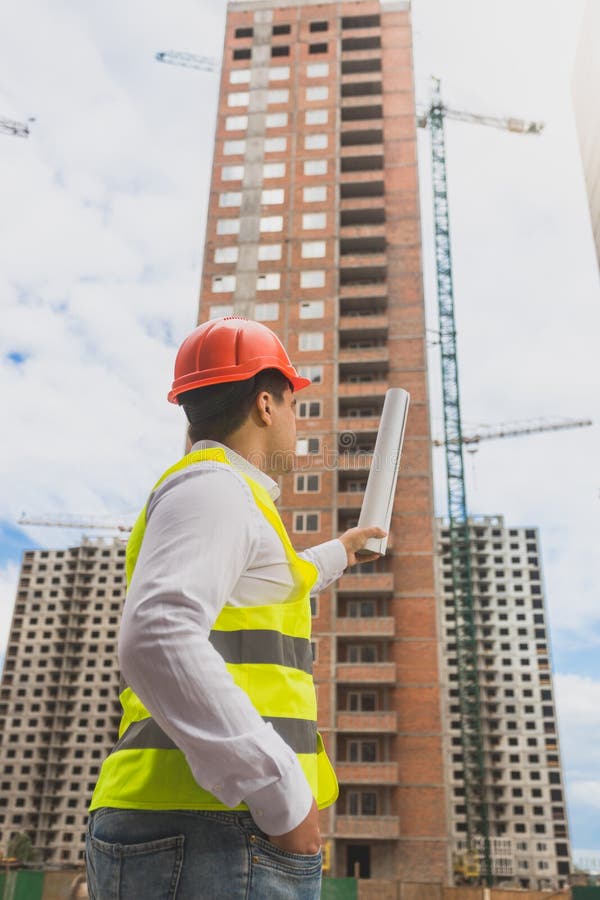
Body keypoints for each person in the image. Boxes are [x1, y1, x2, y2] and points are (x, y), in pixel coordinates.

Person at [85, 317, 384, 900]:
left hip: (205, 825)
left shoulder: (228, 496)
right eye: (297, 407)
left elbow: (283, 576)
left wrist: (341, 553)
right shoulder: (215, 489)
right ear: (267, 404)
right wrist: (282, 795)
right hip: (214, 827)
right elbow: (158, 634)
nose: (299, 426)